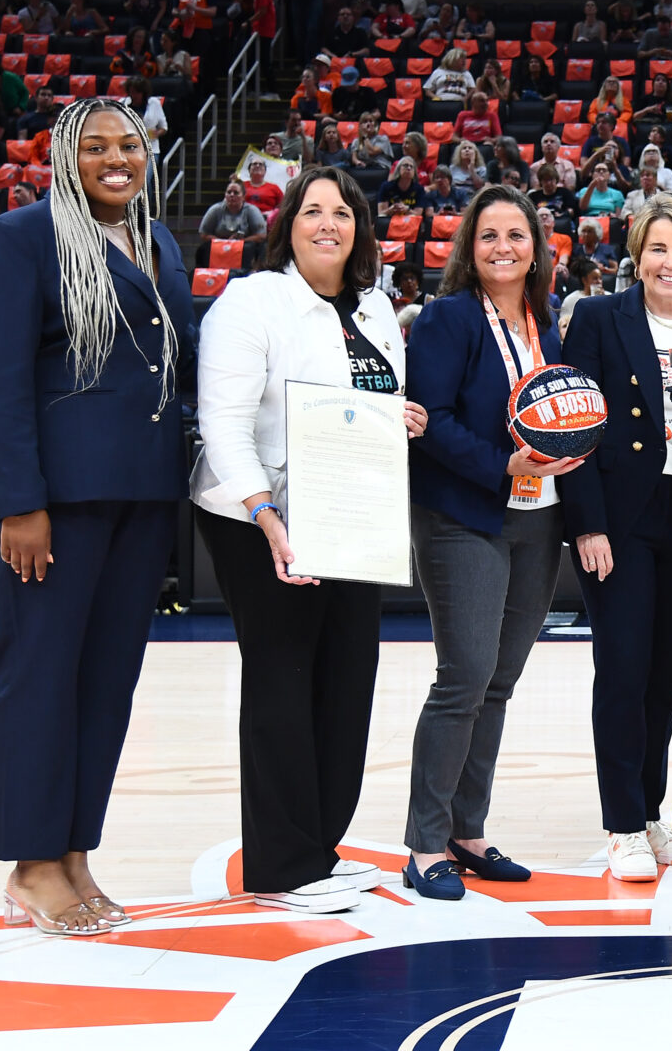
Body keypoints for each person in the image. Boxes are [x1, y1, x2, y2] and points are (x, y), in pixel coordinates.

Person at [0, 98, 194, 935]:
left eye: (127, 145)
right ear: (65, 157)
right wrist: (20, 504)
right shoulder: (22, 236)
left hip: (143, 495)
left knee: (106, 684)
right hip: (58, 503)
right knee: (40, 678)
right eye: (94, 145)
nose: (115, 157)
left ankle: (74, 852)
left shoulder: (160, 240)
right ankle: (32, 865)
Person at [192, 166, 429, 913]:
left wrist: (403, 417)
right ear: (289, 224)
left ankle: (320, 847)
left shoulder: (377, 309)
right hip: (258, 519)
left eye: (343, 212)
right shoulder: (253, 300)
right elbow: (224, 426)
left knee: (346, 680)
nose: (329, 223)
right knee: (282, 681)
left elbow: (371, 408)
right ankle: (279, 865)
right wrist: (267, 517)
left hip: (350, 518)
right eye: (313, 211)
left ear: (359, 228)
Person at [559, 196, 672, 881]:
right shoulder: (599, 319)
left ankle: (648, 814)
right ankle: (620, 825)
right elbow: (574, 427)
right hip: (623, 517)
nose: (671, 263)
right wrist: (588, 523)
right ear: (636, 255)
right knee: (624, 670)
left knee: (665, 678)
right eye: (658, 249)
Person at [402, 185, 581, 899]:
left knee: (499, 681)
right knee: (464, 676)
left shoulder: (543, 320)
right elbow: (432, 420)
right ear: (469, 249)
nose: (503, 247)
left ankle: (466, 831)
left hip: (538, 516)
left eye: (517, 234)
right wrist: (500, 464)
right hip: (464, 514)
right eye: (489, 235)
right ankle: (423, 845)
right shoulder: (447, 319)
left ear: (536, 247)